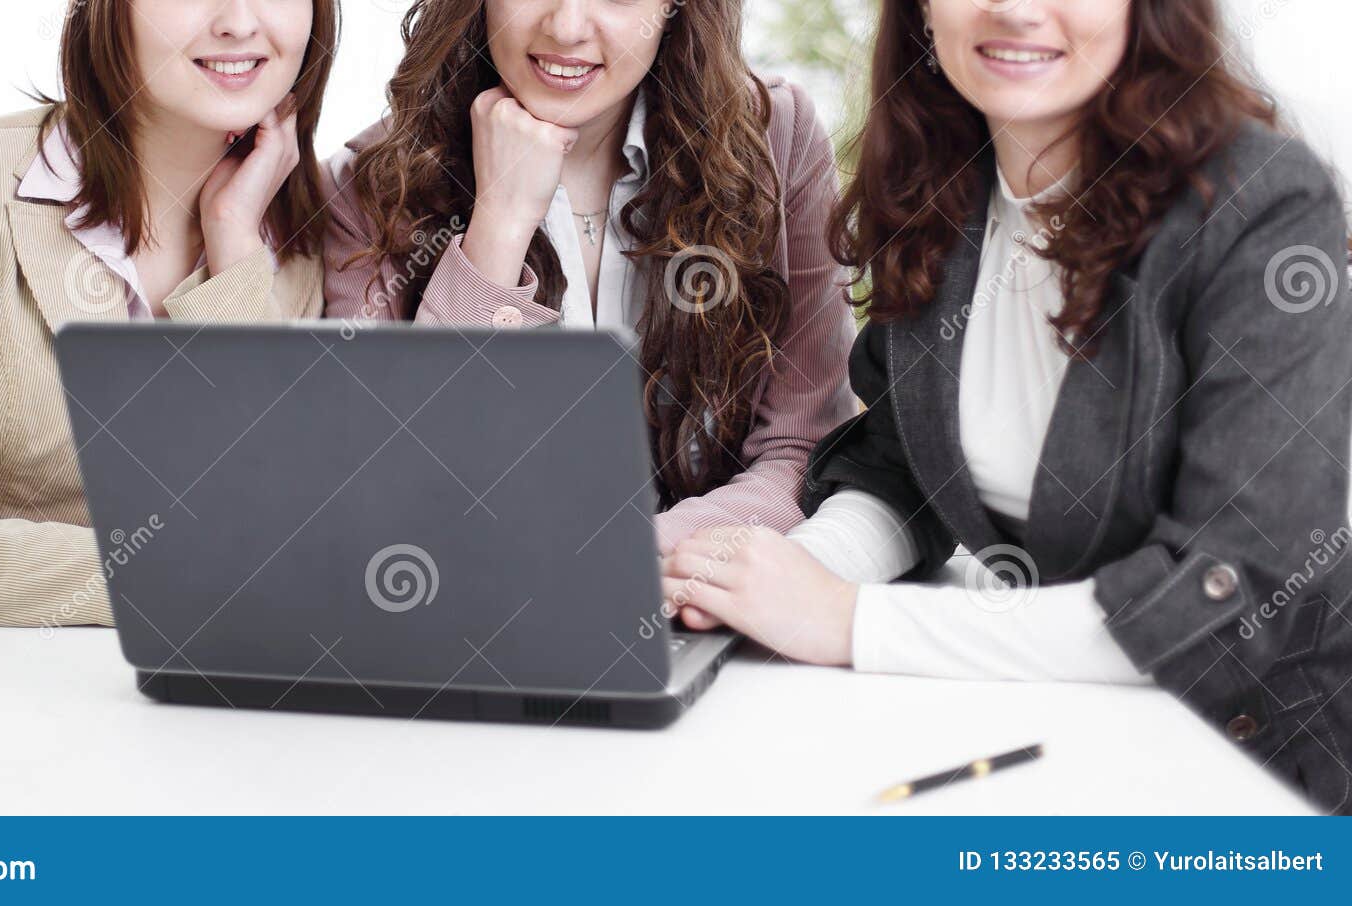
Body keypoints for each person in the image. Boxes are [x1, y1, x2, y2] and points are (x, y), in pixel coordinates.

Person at [662, 0, 1352, 812]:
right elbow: (901, 467)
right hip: (1063, 729)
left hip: (1261, 763)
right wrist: (787, 577)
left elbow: (1228, 589)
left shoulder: (1262, 207)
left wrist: (851, 622)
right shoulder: (940, 186)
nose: (1016, 9)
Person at [0, 0, 337, 626]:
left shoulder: (307, 234)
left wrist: (234, 242)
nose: (239, 22)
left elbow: (270, 540)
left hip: (177, 703)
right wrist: (170, 577)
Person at [321, 0, 857, 552]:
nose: (566, 27)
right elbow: (391, 485)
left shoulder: (775, 138)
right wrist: (499, 222)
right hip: (481, 615)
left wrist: (632, 557)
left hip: (704, 608)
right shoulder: (368, 187)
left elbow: (802, 449)